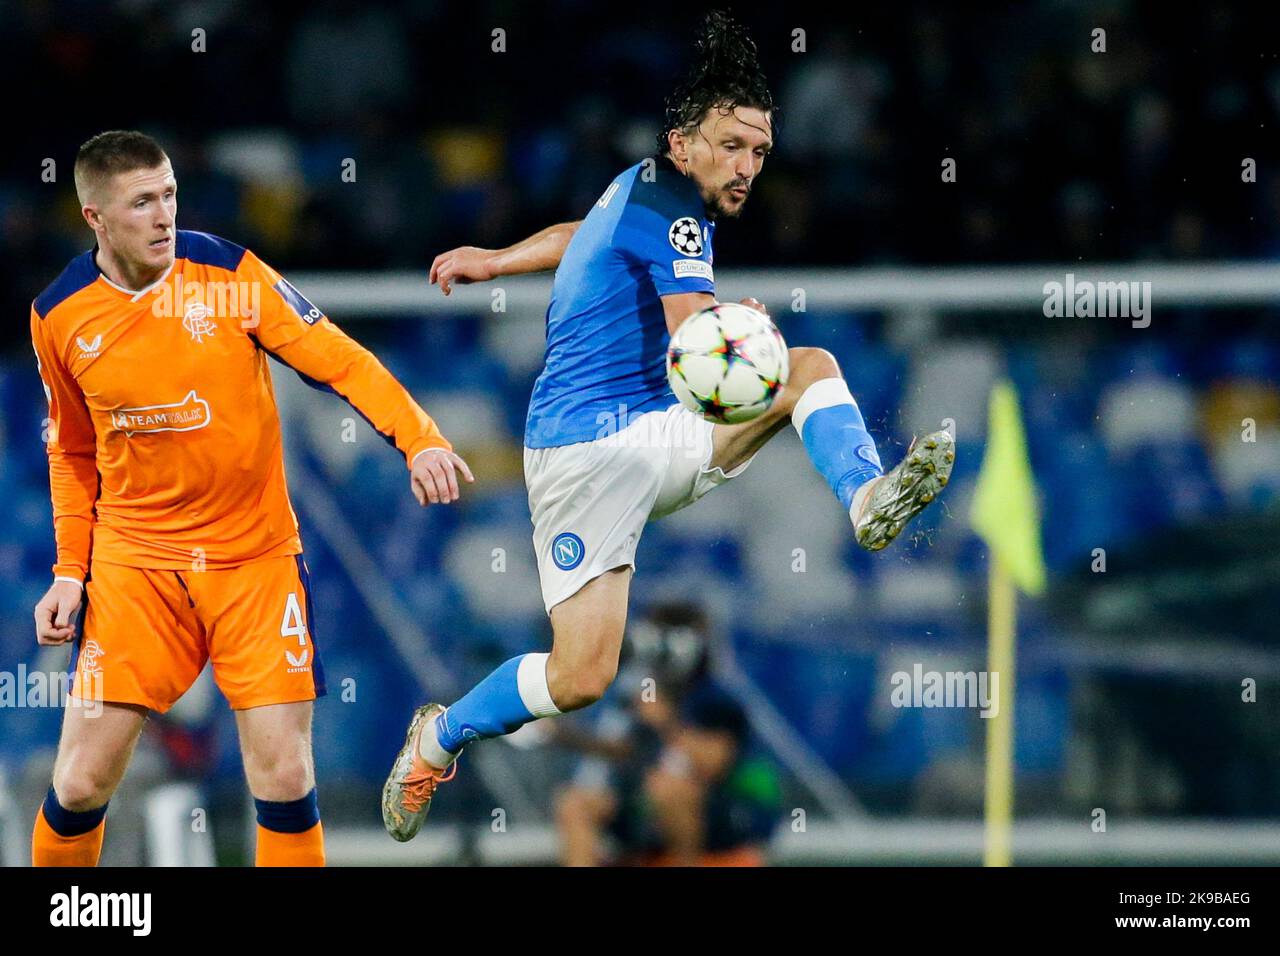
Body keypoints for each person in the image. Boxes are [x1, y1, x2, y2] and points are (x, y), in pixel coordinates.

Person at [382, 11, 952, 842]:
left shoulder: (641, 187)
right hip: (579, 455)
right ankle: (437, 737)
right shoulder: (677, 211)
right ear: (684, 143)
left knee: (811, 367)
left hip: (650, 432)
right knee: (580, 676)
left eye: (759, 150)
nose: (748, 166)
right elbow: (694, 332)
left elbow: (587, 238)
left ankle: (867, 497)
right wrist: (730, 330)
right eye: (731, 145)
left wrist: (498, 259)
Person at [30, 130, 472, 867]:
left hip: (253, 561)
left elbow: (340, 358)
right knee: (78, 782)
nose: (165, 214)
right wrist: (69, 572)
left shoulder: (229, 273)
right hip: (136, 567)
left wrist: (419, 437)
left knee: (287, 772)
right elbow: (71, 453)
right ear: (95, 218)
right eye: (142, 202)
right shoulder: (60, 314)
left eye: (169, 194)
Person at [552, 603, 780, 866]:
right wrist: (560, 734)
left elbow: (713, 763)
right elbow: (626, 749)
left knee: (667, 789)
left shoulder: (713, 697)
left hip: (721, 809)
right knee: (576, 803)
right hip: (651, 805)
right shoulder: (646, 691)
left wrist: (666, 721)